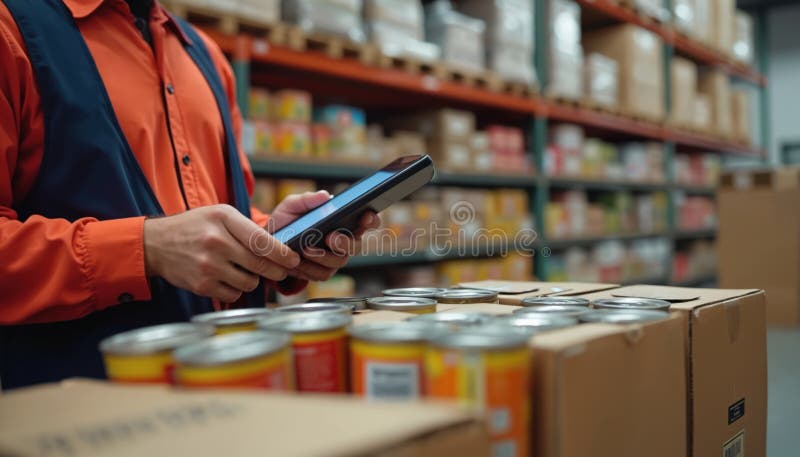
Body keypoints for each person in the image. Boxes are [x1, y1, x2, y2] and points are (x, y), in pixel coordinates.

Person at [0, 0, 379, 389]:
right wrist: (145, 248)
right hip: (84, 401)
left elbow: (219, 211)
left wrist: (269, 238)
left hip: (228, 378)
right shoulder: (13, 32)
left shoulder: (205, 55)